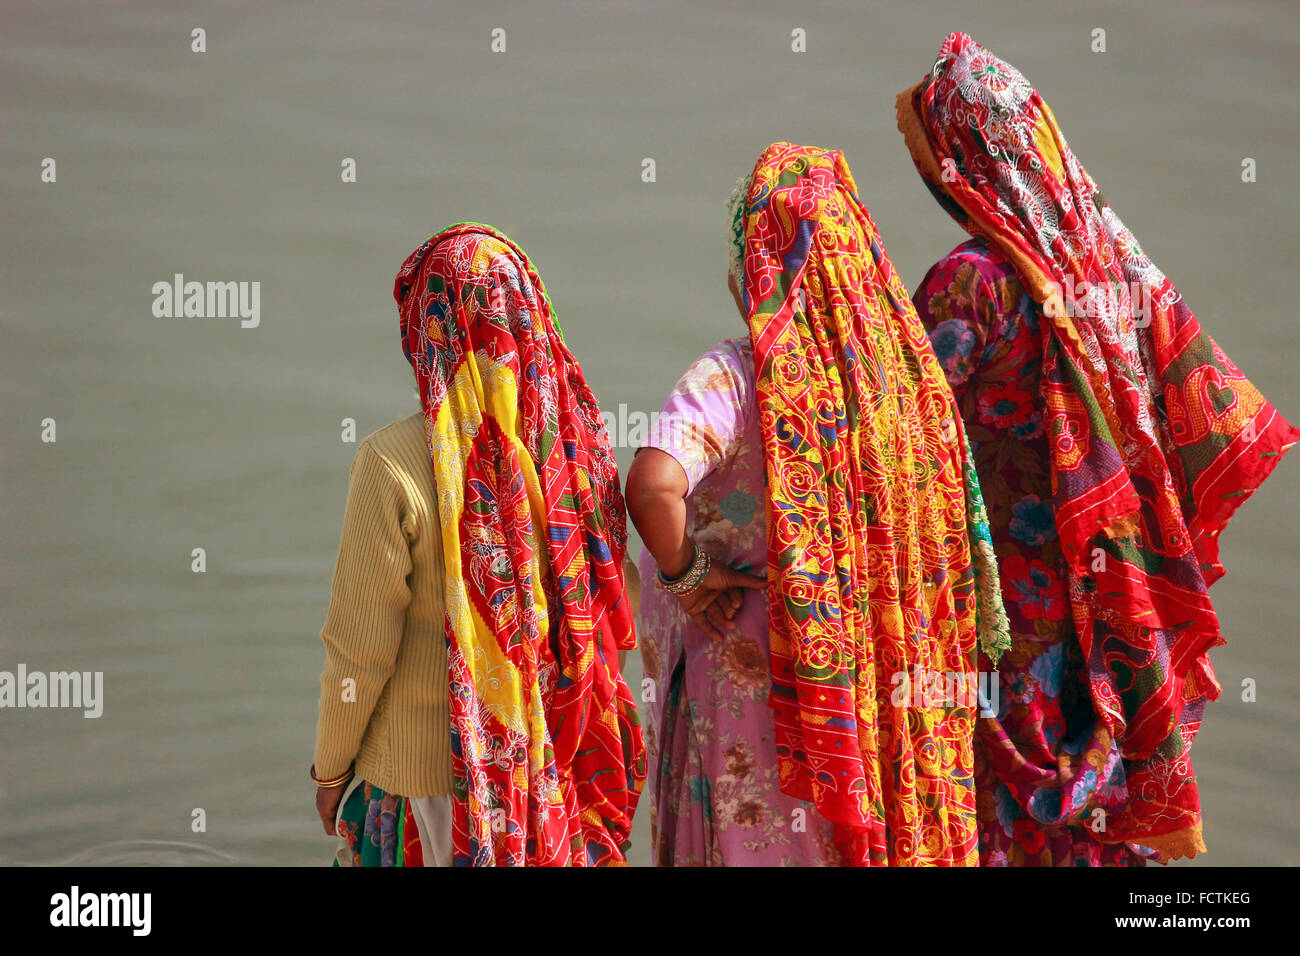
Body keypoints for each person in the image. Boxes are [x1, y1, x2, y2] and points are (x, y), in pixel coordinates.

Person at [897, 32, 1299, 865]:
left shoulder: (970, 282)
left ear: (959, 158)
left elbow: (898, 428)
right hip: (1109, 580)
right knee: (1093, 782)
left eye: (920, 145)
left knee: (1005, 792)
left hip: (1007, 597)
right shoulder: (1101, 255)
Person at [626, 142, 1009, 866]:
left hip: (749, 694)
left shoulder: (737, 375)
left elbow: (652, 486)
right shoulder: (910, 391)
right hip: (865, 698)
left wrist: (686, 572)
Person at [311, 222, 645, 866]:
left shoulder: (391, 463)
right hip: (550, 774)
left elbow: (359, 650)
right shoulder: (575, 449)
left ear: (426, 332)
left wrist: (329, 772)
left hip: (428, 787)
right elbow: (610, 603)